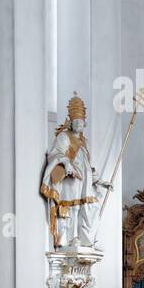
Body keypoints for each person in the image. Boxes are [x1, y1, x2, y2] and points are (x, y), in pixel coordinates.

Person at [41, 94, 110, 249]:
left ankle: (89, 239)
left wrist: (100, 181)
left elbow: (88, 165)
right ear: (71, 122)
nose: (78, 124)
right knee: (72, 208)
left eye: (81, 121)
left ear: (84, 123)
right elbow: (55, 153)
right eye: (75, 121)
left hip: (84, 181)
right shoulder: (64, 137)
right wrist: (66, 163)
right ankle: (72, 238)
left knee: (89, 207)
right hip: (71, 180)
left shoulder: (84, 142)